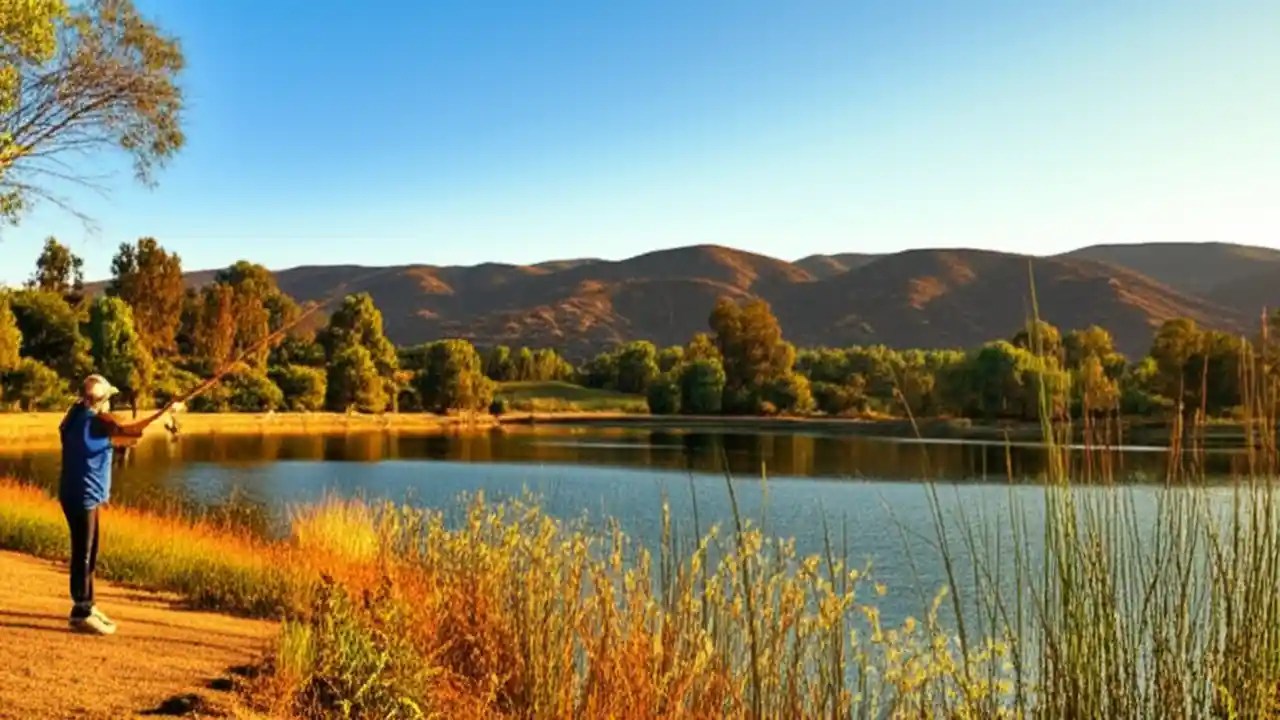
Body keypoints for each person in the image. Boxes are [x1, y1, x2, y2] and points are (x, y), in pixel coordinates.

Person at [57, 374, 155, 635]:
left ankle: (88, 603)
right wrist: (151, 421)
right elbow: (128, 434)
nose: (110, 404)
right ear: (100, 401)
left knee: (89, 549)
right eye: (108, 399)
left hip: (77, 493)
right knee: (84, 552)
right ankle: (81, 610)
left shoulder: (75, 417)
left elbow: (121, 436)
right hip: (83, 495)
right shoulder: (93, 425)